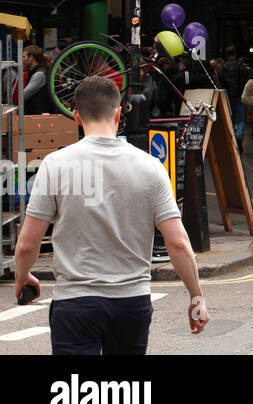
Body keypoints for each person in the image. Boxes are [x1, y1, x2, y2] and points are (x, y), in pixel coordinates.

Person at [11, 76, 209, 353]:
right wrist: (196, 295)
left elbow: (28, 243)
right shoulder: (151, 168)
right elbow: (177, 242)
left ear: (77, 117)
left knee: (78, 394)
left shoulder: (55, 165)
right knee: (123, 395)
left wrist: (22, 277)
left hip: (75, 303)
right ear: (118, 112)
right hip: (132, 302)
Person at [218, 46, 252, 153]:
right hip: (240, 96)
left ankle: (230, 140)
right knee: (241, 119)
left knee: (229, 119)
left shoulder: (223, 67)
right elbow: (248, 79)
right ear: (236, 54)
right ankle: (239, 136)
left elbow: (219, 81)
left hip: (227, 96)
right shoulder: (242, 66)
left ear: (226, 55)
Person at [13, 44, 54, 115]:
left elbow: (24, 95)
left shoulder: (39, 74)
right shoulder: (34, 72)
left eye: (23, 57)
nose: (22, 60)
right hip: (36, 113)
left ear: (31, 57)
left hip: (39, 114)